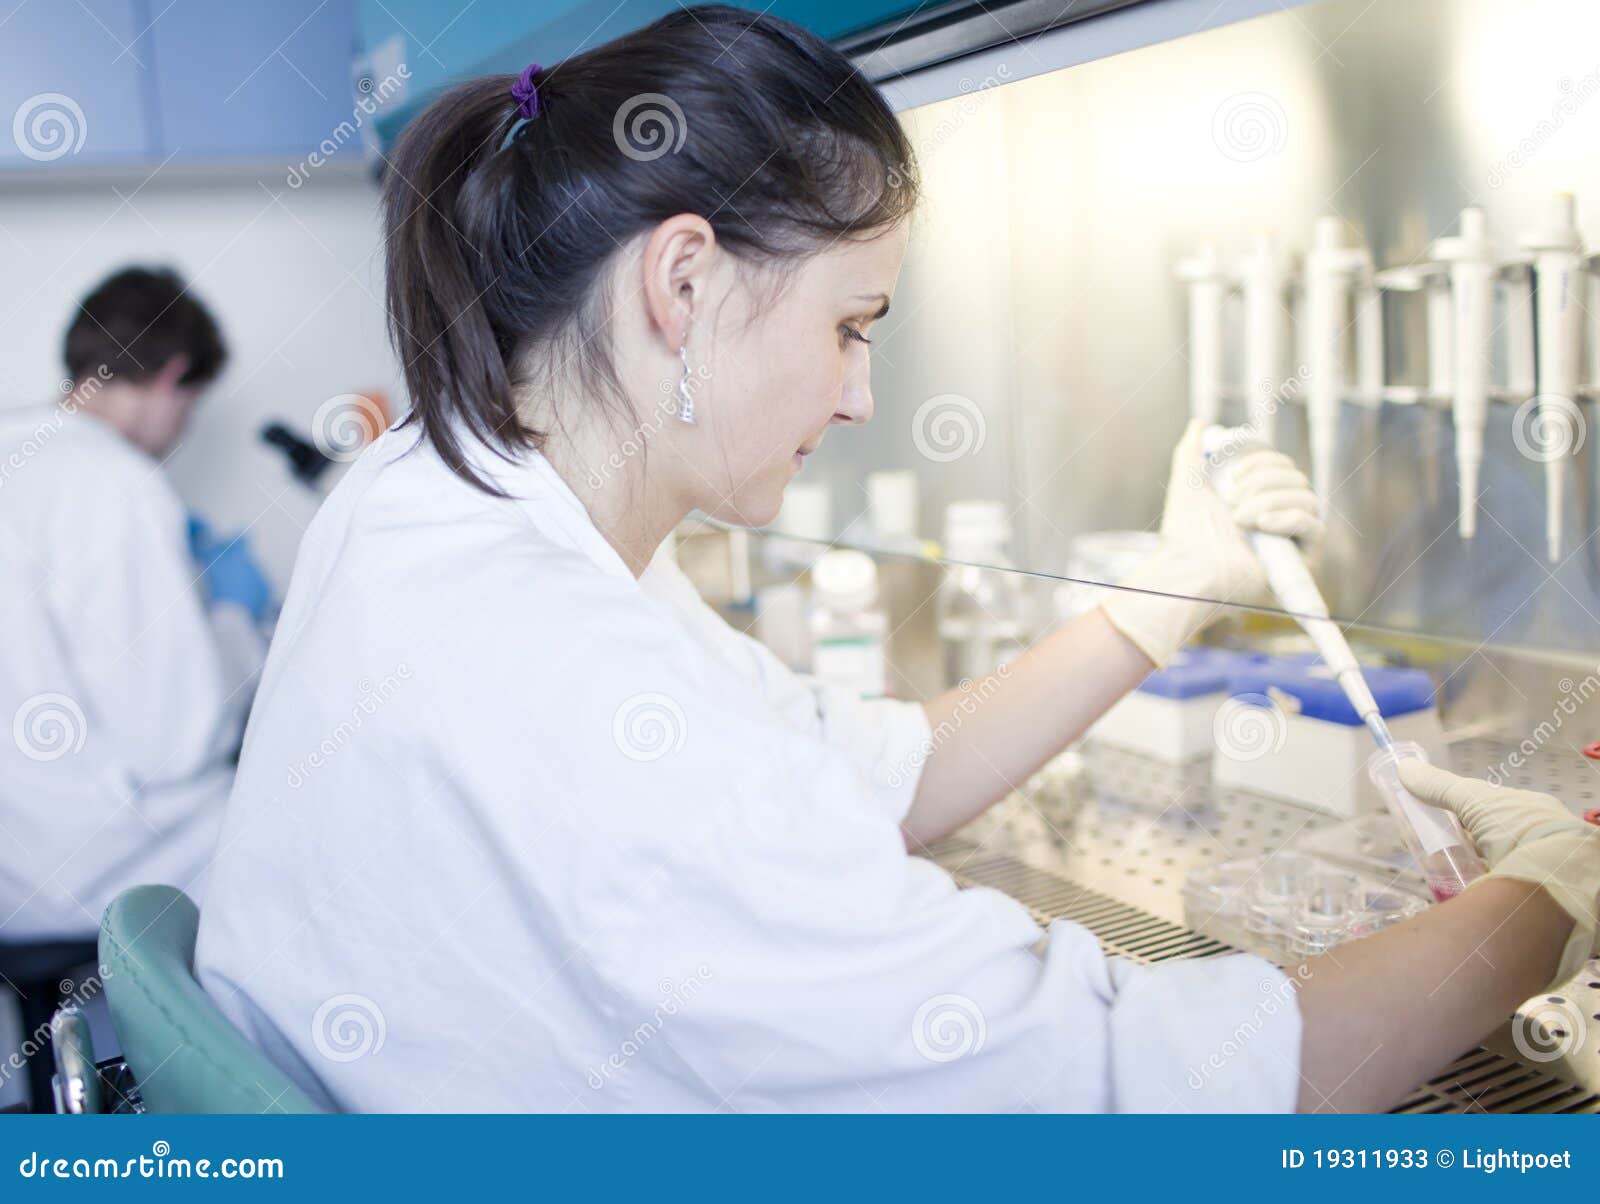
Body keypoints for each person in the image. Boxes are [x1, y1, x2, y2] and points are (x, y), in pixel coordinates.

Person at [194, 6, 1600, 1113]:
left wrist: (1165, 592)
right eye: (852, 322)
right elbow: (1129, 1094)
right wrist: (1539, 910)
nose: (861, 393)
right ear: (682, 284)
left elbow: (852, 775)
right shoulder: (560, 671)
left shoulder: (437, 497)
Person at [0, 266, 271, 941]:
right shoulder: (116, 482)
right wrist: (236, 620)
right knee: (315, 826)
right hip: (84, 864)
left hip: (16, 854)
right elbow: (175, 738)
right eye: (190, 404)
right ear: (171, 376)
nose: (182, 429)